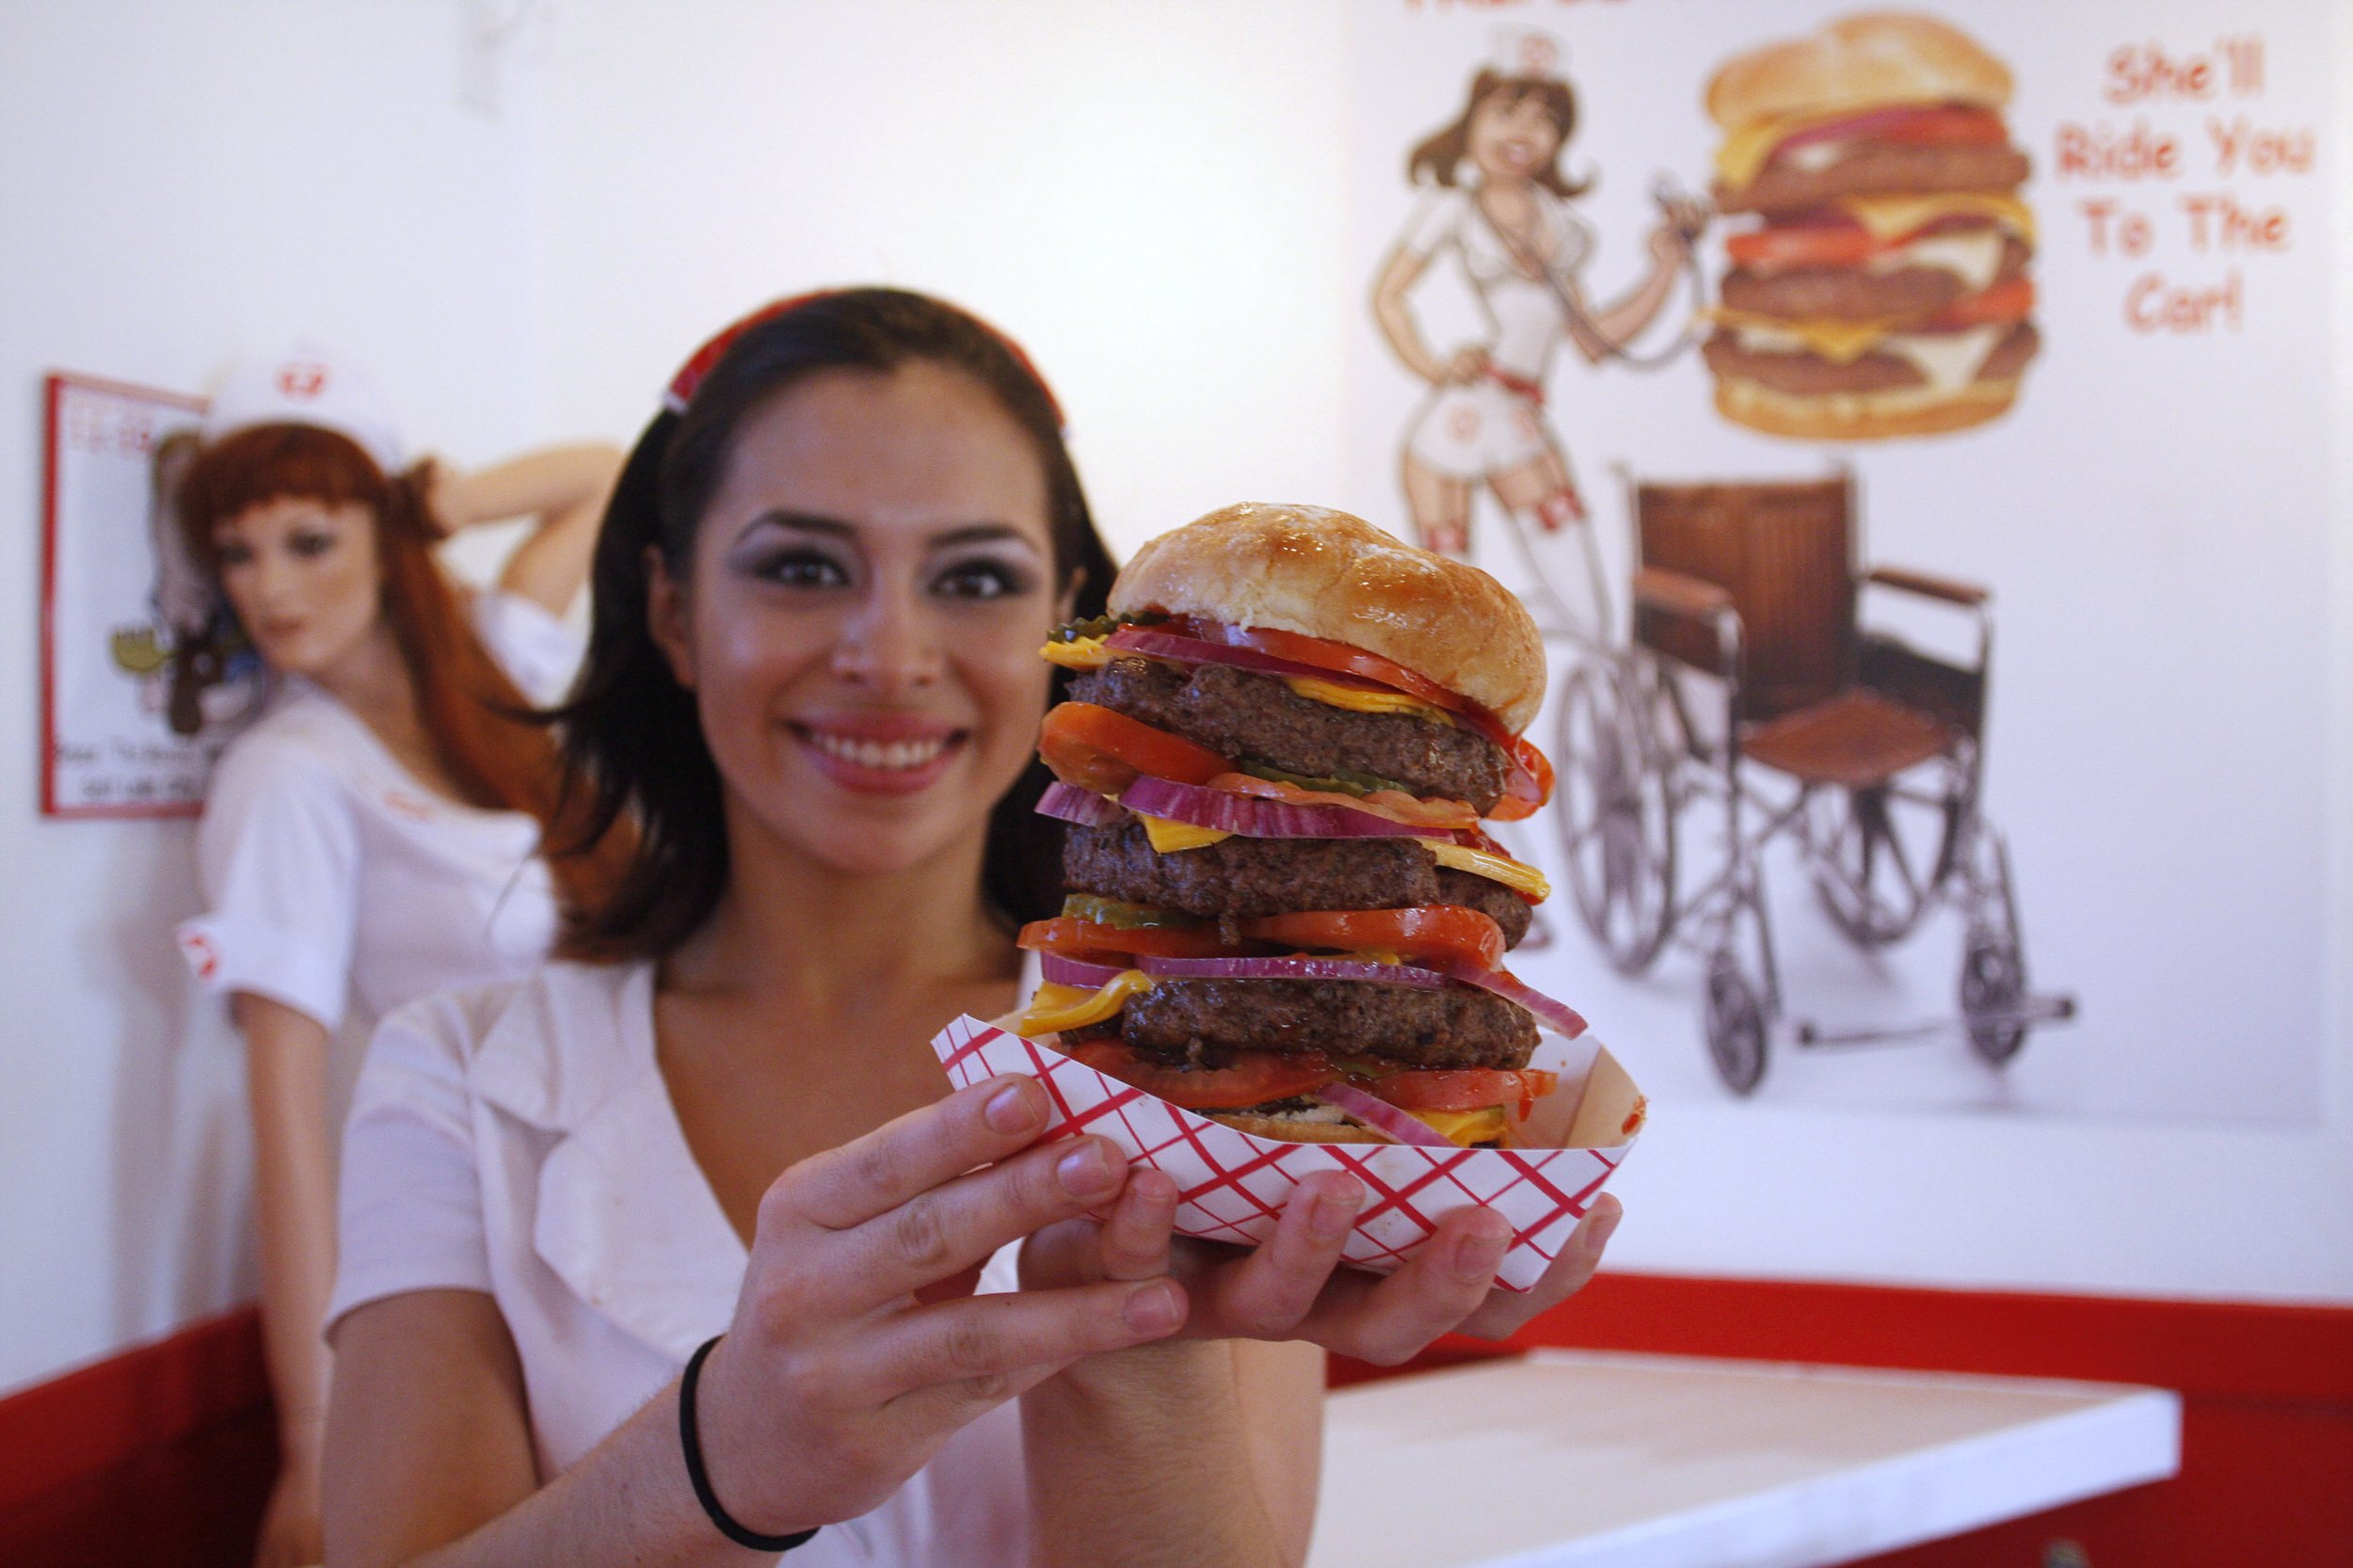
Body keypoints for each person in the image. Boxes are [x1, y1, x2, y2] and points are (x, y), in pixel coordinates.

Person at [320, 288, 1624, 1567]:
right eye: (803, 566)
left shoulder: (1202, 1092)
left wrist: (1134, 1346)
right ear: (671, 610)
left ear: (1072, 620)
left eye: (975, 578)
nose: (890, 652)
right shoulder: (457, 1077)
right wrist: (723, 1459)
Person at [171, 347, 628, 1568]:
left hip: (629, 1190)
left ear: (387, 532)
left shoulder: (493, 664)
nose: (268, 588)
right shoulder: (289, 775)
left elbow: (609, 478)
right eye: (235, 550)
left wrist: (444, 502)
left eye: (310, 539)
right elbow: (283, 1102)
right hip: (488, 1245)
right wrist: (312, 1430)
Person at [1371, 26, 1697, 635]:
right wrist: (1434, 366)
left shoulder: (1561, 228)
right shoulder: (1451, 210)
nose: (1522, 133)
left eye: (1543, 120)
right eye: (1504, 113)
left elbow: (1594, 341)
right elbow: (1388, 296)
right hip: (1452, 425)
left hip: (1517, 417)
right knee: (1446, 619)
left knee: (1585, 606)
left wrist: (1667, 264)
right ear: (1472, 120)